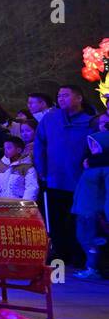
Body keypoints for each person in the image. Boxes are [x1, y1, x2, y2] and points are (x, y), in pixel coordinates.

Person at [34, 84, 95, 267]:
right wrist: (42, 170)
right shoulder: (50, 119)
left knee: (79, 220)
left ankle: (79, 256)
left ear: (79, 98)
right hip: (53, 179)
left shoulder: (90, 121)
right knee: (55, 220)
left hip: (80, 181)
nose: (61, 99)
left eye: (66, 95)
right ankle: (59, 254)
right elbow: (40, 145)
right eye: (59, 95)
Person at [71, 112, 109, 280]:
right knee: (84, 238)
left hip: (94, 210)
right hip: (83, 208)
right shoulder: (91, 165)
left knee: (90, 239)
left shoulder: (104, 169)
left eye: (96, 145)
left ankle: (92, 267)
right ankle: (92, 266)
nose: (93, 148)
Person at [0, 133, 39, 202]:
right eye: (5, 148)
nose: (6, 150)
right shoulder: (0, 165)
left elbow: (31, 188)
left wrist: (25, 206)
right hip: (1, 204)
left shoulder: (27, 167)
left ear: (19, 150)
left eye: (9, 148)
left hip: (18, 205)